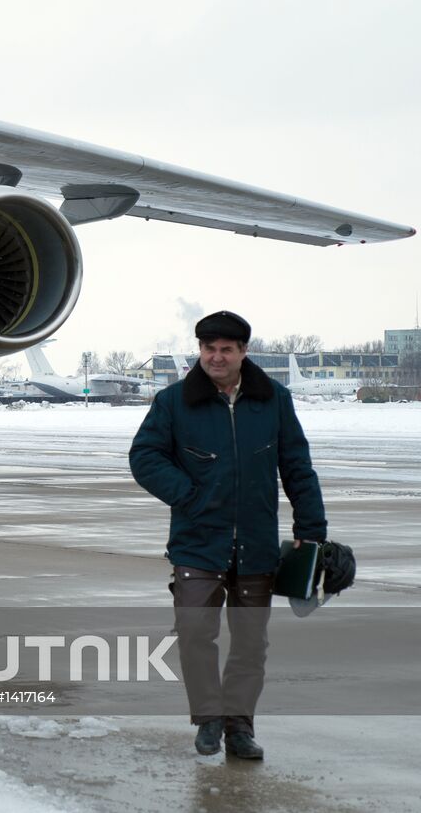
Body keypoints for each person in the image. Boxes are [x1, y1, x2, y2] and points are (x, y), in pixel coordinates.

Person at [129, 311, 326, 761]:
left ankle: (239, 727)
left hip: (256, 546)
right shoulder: (173, 401)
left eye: (226, 350)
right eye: (208, 349)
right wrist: (188, 496)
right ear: (200, 351)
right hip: (197, 543)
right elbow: (144, 457)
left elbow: (297, 466)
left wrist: (311, 530)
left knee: (251, 643)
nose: (216, 357)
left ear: (243, 353)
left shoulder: (273, 399)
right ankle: (209, 717)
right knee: (195, 633)